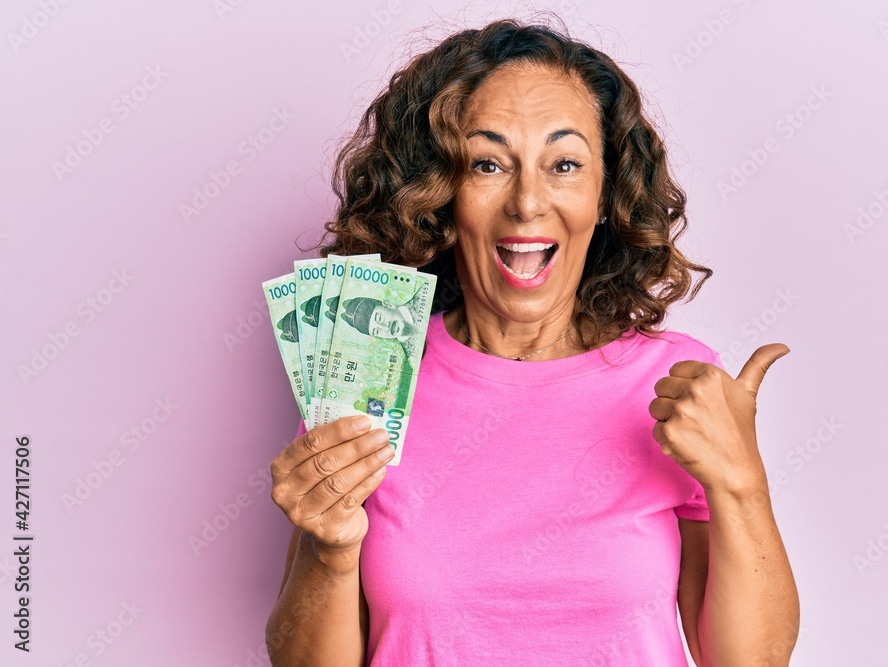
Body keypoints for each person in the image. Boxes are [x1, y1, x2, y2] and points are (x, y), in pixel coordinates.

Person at [265, 16, 799, 667]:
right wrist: (331, 549)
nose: (527, 201)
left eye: (564, 164)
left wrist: (741, 482)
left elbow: (752, 662)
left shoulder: (676, 384)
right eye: (488, 163)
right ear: (442, 192)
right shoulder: (362, 375)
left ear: (604, 194)